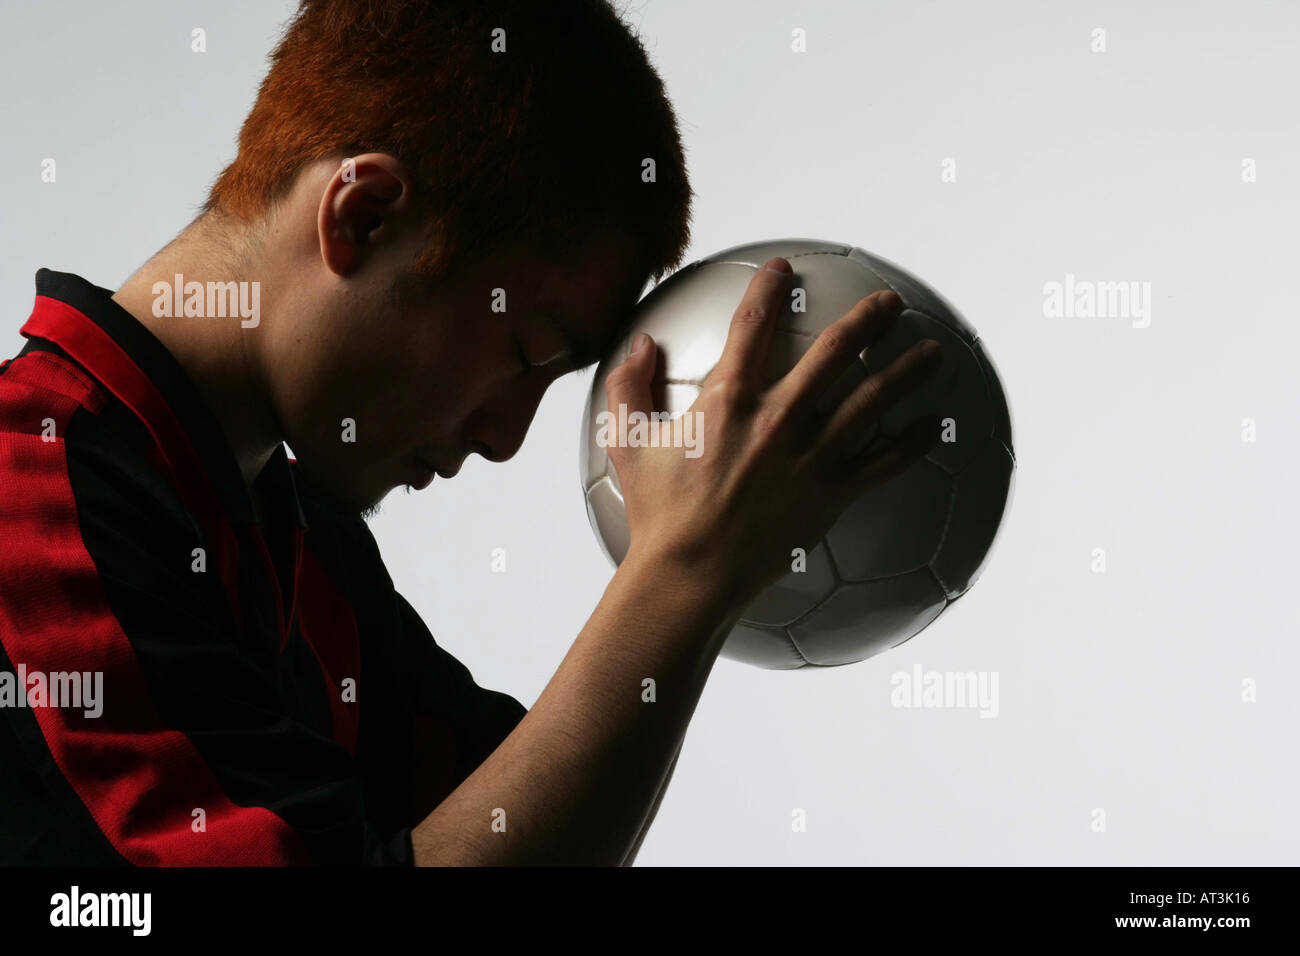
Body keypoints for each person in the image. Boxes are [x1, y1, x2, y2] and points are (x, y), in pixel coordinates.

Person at [0, 0, 940, 865]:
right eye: (525, 353)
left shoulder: (299, 538)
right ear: (362, 218)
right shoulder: (30, 494)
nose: (504, 441)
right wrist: (685, 571)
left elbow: (511, 820)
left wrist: (717, 547)